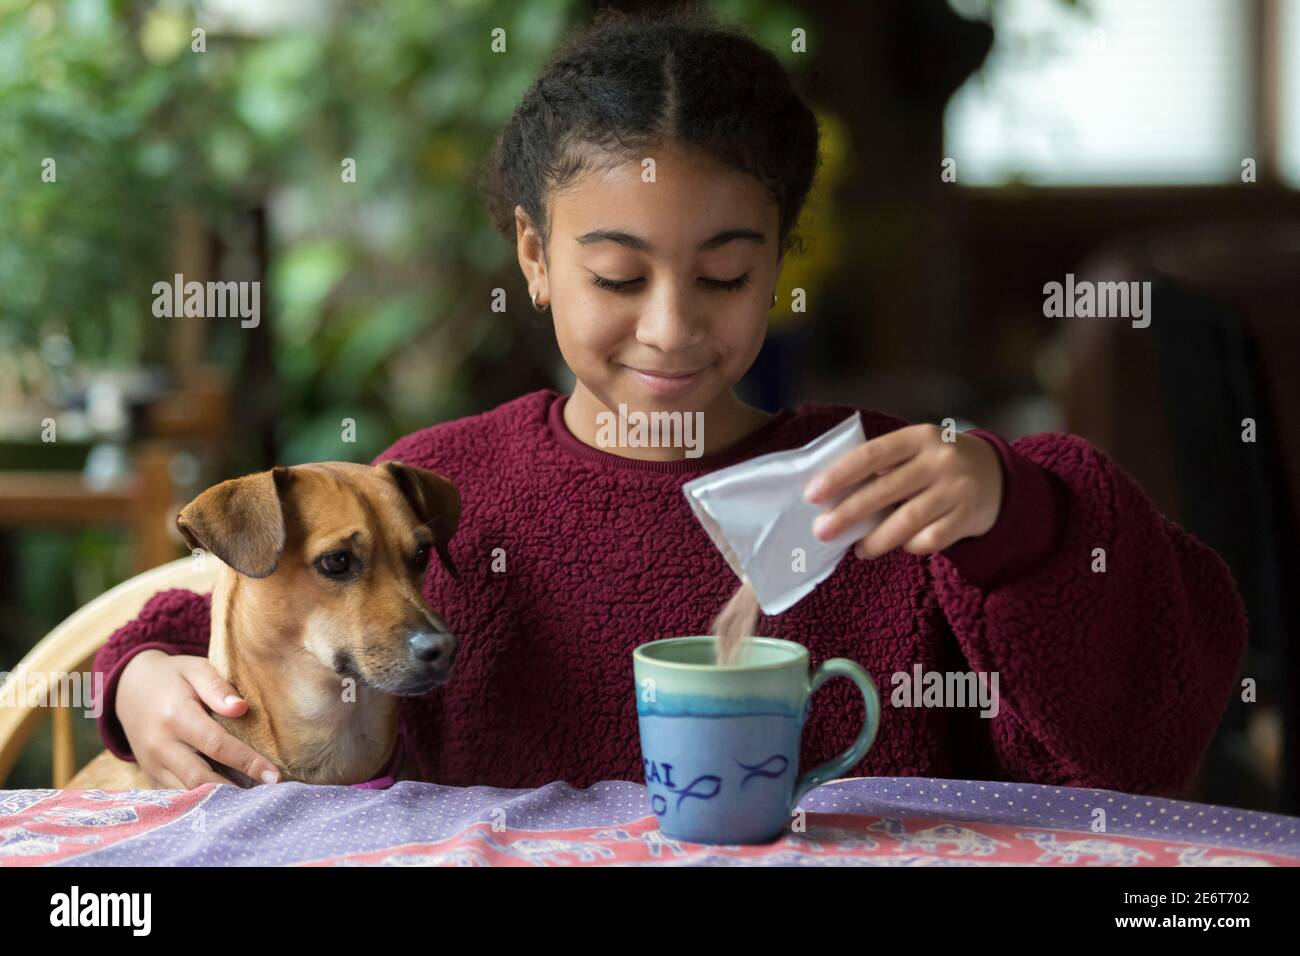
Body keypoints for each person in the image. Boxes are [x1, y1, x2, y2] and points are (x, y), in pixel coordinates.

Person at [93, 5, 1247, 794]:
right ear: (535, 257)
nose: (670, 324)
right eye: (615, 274)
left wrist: (1022, 519)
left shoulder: (899, 493)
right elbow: (242, 605)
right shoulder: (434, 495)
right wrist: (136, 679)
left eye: (725, 273)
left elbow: (1146, 741)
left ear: (783, 259)